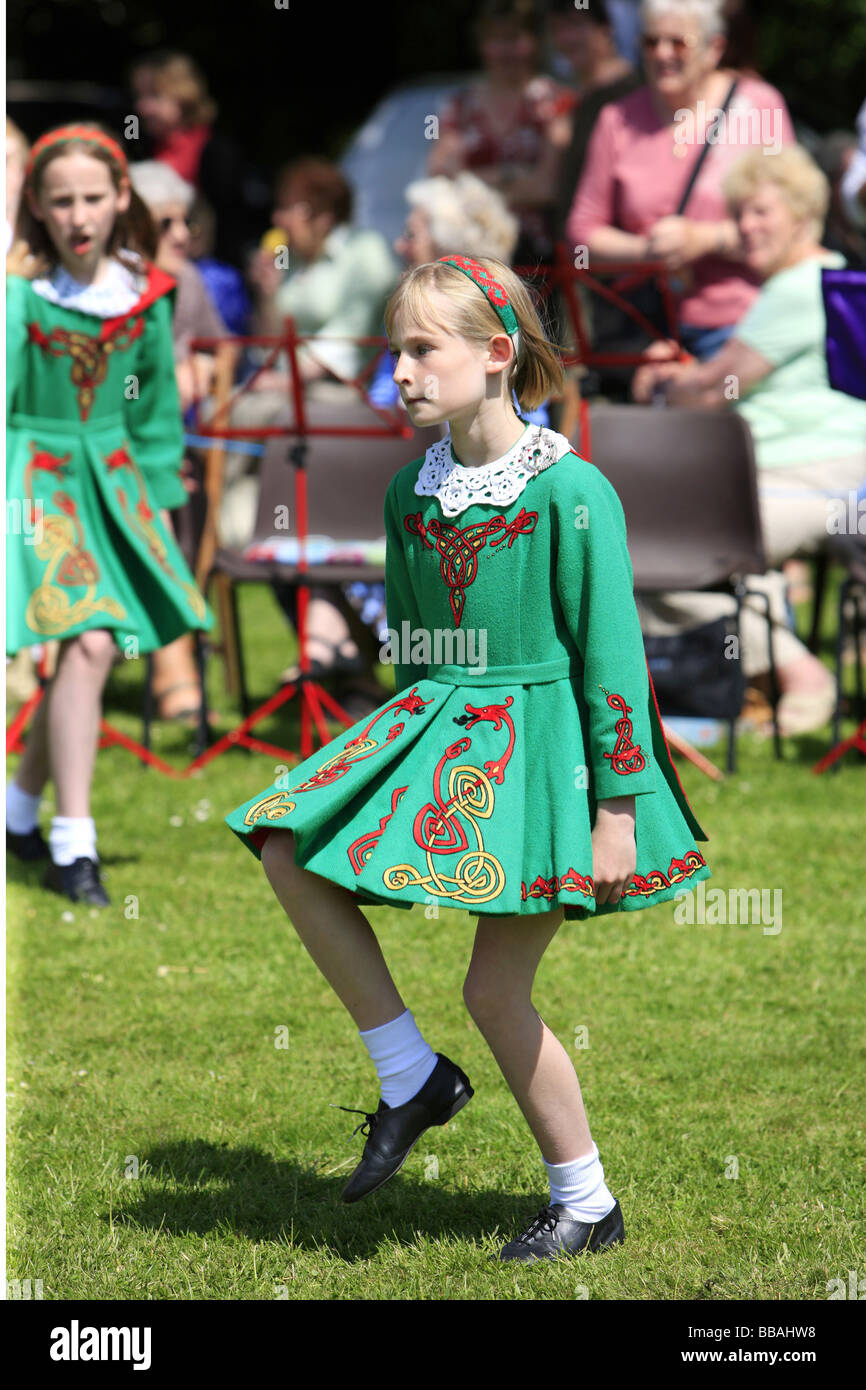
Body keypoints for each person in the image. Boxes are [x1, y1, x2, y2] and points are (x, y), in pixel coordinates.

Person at [223, 253, 712, 1263]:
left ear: (496, 355)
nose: (398, 372)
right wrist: (394, 773)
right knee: (282, 841)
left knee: (493, 992)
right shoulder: (412, 490)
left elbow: (612, 655)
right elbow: (409, 646)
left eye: (418, 350)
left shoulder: (570, 490)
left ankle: (585, 1202)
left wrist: (613, 807)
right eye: (390, 352)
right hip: (437, 730)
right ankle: (407, 1072)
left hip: (546, 764)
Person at [5, 123, 212, 906]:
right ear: (38, 207)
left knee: (89, 653)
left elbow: (157, 411)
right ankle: (73, 844)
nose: (79, 215)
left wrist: (157, 506)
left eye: (94, 197)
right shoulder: (22, 295)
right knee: (89, 641)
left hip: (115, 482)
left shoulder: (147, 294)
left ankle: (18, 812)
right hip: (39, 477)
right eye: (61, 201)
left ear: (122, 198)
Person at [631, 145, 866, 736]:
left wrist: (662, 383)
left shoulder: (795, 286)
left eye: (762, 212)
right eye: (738, 215)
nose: (746, 227)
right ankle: (767, 684)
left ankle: (796, 671)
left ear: (803, 214)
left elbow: (711, 392)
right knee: (735, 561)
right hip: (814, 480)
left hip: (812, 481)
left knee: (645, 553)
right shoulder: (826, 276)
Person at [567, 0, 795, 361]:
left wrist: (705, 239)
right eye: (651, 41)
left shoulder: (759, 107)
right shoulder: (615, 118)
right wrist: (649, 252)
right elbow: (581, 233)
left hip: (741, 327)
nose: (662, 53)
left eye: (678, 42)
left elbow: (791, 226)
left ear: (714, 48)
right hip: (644, 331)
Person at [128, 158, 229, 725]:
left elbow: (222, 349)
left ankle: (177, 656)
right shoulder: (117, 290)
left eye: (185, 221)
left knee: (169, 490)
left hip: (177, 444)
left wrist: (203, 375)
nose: (183, 235)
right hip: (123, 452)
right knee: (154, 500)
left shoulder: (187, 282)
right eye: (166, 225)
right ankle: (177, 666)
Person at [427, 0, 577, 262]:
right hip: (470, 252)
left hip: (538, 257)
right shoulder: (459, 106)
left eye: (515, 37)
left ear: (534, 42)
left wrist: (472, 182)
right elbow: (439, 175)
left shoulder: (555, 101)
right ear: (481, 45)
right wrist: (511, 175)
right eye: (496, 39)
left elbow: (547, 188)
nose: (506, 50)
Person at [127, 49, 269, 269]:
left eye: (154, 97)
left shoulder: (217, 153)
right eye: (139, 96)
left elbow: (234, 228)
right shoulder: (141, 149)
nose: (142, 108)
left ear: (183, 97)